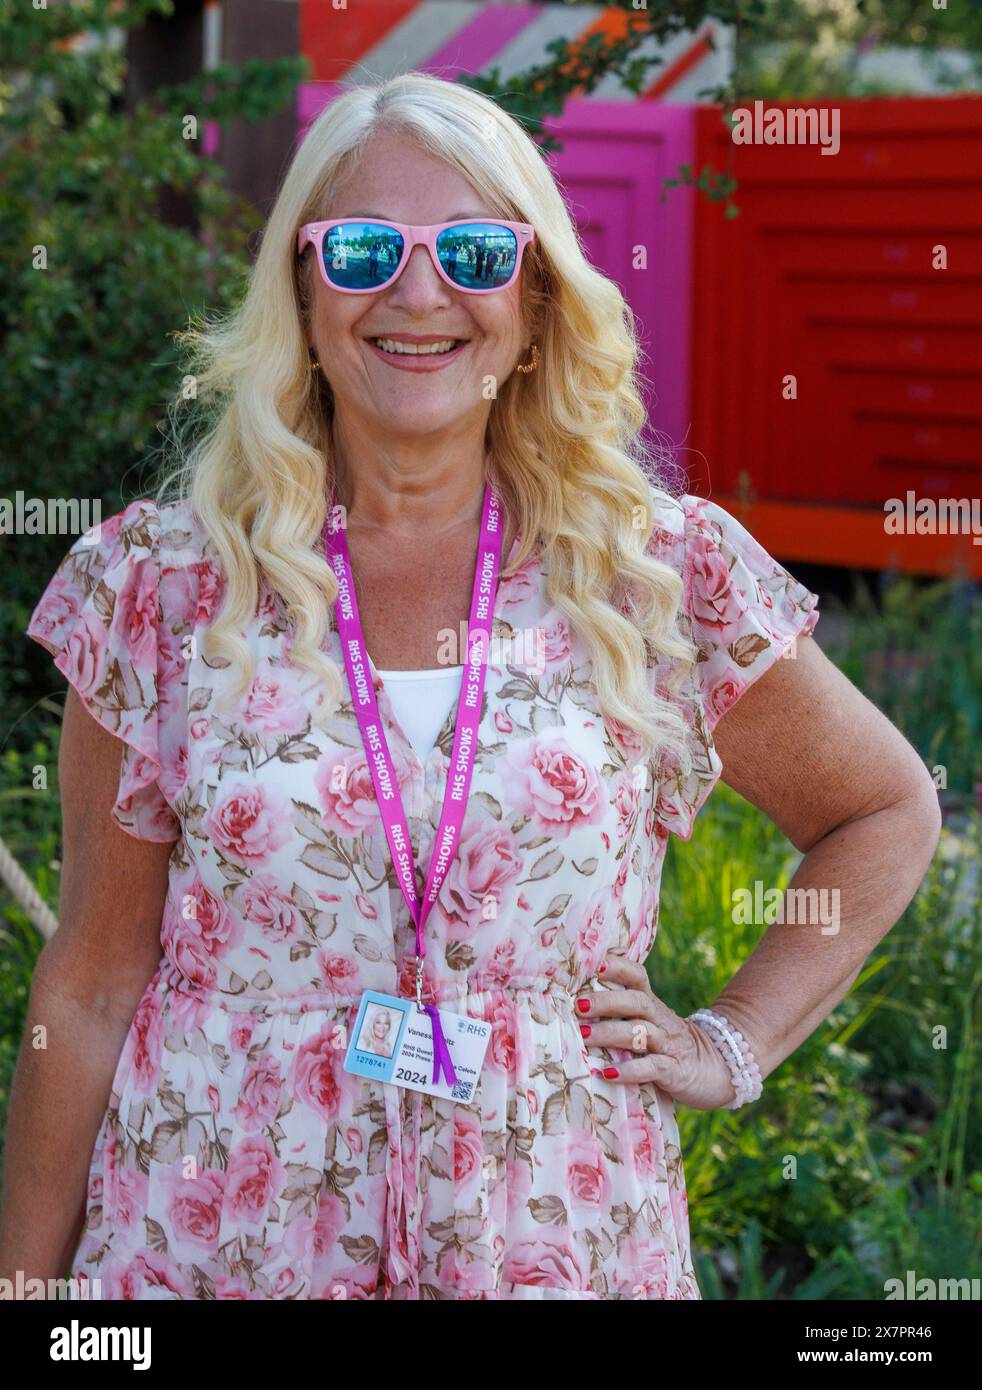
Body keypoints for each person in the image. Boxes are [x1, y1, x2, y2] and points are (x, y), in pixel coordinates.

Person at [0, 71, 940, 1301]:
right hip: (211, 1246)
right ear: (300, 284)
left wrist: (732, 1040)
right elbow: (90, 975)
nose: (418, 290)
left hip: (552, 1243)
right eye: (364, 249)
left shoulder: (657, 578)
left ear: (537, 301)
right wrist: (26, 1296)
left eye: (477, 251)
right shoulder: (166, 587)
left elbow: (883, 810)